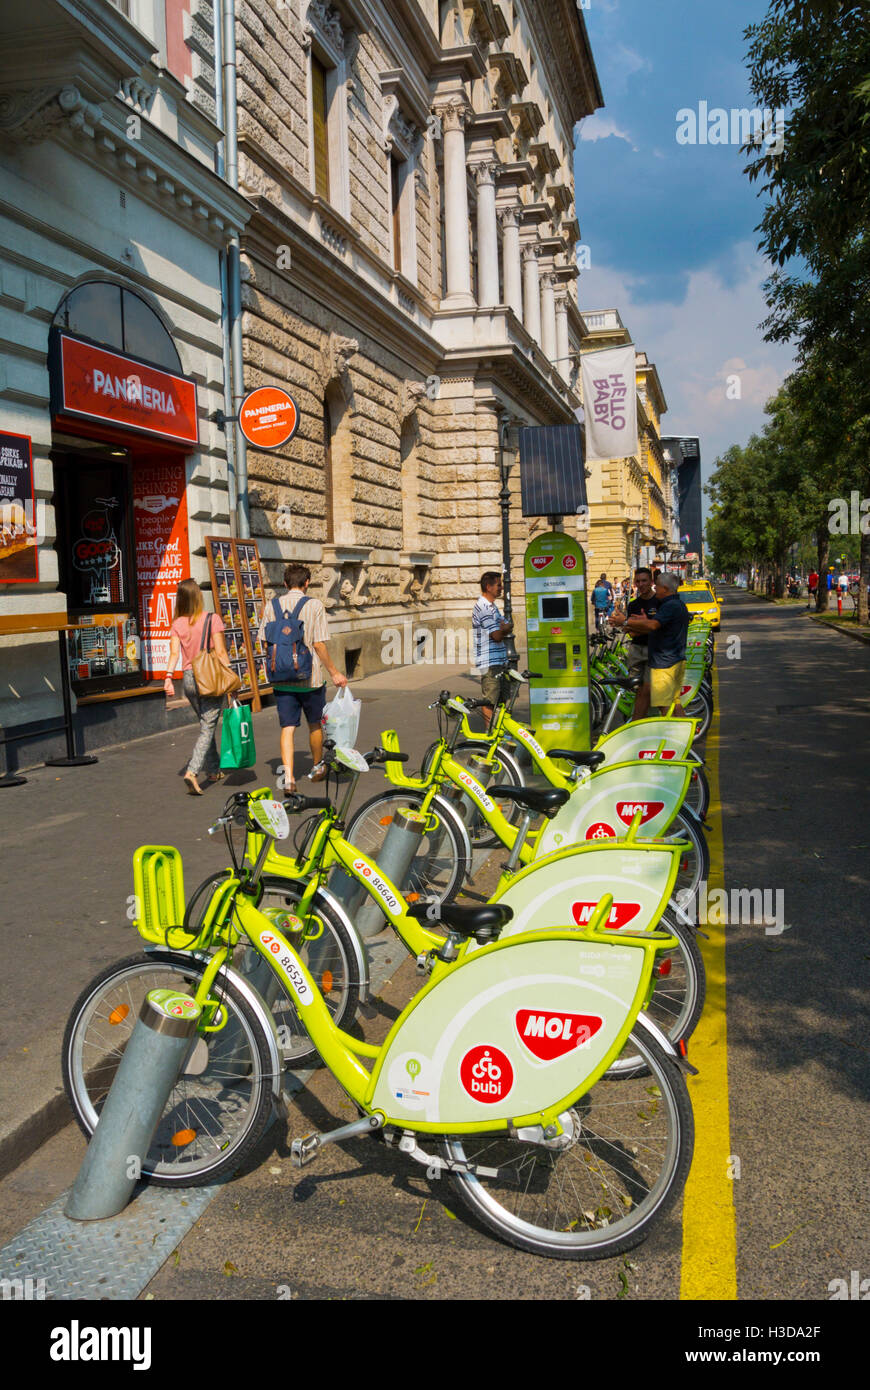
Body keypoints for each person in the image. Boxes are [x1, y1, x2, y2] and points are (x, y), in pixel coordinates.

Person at [258, 563, 348, 792]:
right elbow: (318, 644)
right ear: (307, 583)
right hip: (310, 679)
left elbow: (265, 642)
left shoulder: (271, 605)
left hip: (282, 678)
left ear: (285, 583)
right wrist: (334, 672)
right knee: (314, 724)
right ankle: (318, 769)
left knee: (287, 727)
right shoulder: (314, 605)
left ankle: (289, 778)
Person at [165, 578, 232, 795]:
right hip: (209, 677)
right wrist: (232, 678)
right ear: (198, 597)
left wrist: (167, 677)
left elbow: (174, 653)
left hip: (188, 679)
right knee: (208, 726)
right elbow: (221, 653)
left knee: (206, 723)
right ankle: (193, 772)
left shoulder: (177, 623)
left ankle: (213, 770)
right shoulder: (212, 619)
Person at [614, 571, 690, 715]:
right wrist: (642, 621)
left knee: (663, 704)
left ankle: (673, 734)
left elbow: (653, 626)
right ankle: (682, 733)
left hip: (665, 662)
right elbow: (654, 626)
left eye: (658, 587)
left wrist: (626, 621)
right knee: (672, 701)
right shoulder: (676, 604)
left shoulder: (669, 605)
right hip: (671, 659)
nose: (656, 589)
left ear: (665, 589)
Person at [610, 567, 658, 717]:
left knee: (650, 689)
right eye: (638, 581)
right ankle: (639, 719)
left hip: (654, 650)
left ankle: (648, 720)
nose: (641, 584)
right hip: (636, 650)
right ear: (634, 584)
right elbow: (630, 631)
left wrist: (639, 626)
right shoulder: (633, 605)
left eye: (644, 580)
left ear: (651, 581)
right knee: (637, 688)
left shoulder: (659, 602)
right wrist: (643, 627)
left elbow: (656, 629)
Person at [472, 571, 514, 722]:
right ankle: (490, 735)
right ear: (489, 587)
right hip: (489, 662)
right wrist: (503, 629)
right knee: (490, 701)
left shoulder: (492, 607)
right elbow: (496, 635)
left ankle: (499, 732)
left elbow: (509, 625)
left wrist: (503, 628)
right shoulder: (482, 607)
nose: (501, 588)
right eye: (499, 584)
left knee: (503, 700)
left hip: (499, 661)